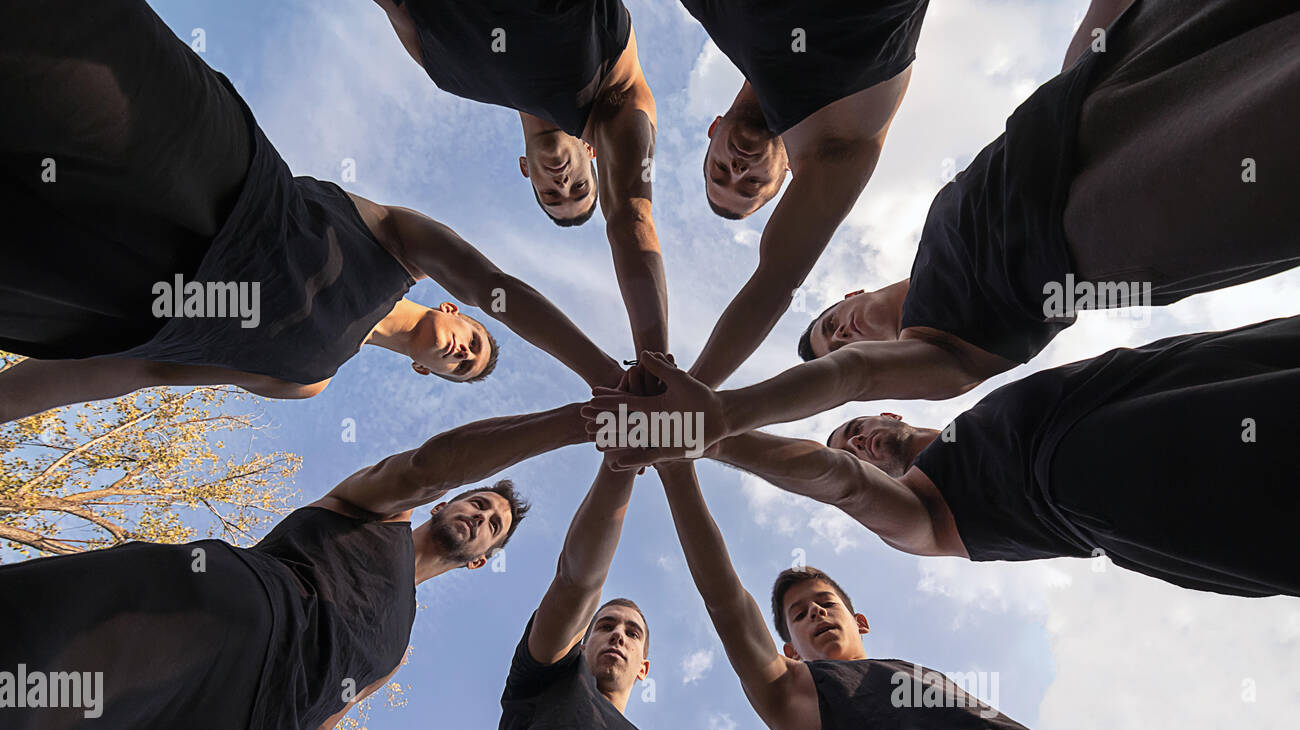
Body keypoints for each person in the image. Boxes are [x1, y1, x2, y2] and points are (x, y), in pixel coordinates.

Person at [591, 0, 1300, 464]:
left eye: (832, 322)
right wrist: (704, 408)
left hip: (1098, 84)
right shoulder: (945, 346)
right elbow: (834, 355)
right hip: (1121, 205)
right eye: (839, 343)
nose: (842, 335)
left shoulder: (940, 231)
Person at [0, 402, 590, 730]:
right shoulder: (378, 509)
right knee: (28, 691)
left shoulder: (393, 650)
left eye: (493, 525)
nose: (481, 517)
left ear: (482, 559)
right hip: (224, 625)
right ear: (443, 504)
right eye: (479, 501)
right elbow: (424, 467)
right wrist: (573, 424)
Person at [0, 0, 623, 427]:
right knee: (47, 43)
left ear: (424, 369)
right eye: (475, 343)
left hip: (108, 293)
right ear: (455, 309)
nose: (462, 352)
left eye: (460, 367)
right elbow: (502, 289)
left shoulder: (305, 381)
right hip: (199, 166)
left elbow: (146, 368)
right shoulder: (402, 248)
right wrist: (601, 375)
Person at [656, 466, 1275, 730]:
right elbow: (729, 605)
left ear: (859, 619)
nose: (816, 613)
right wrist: (678, 469)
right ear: (788, 644)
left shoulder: (925, 680)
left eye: (826, 602)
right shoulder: (799, 697)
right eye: (798, 614)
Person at [642, 314, 1300, 597]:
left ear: (888, 412)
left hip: (1161, 372)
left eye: (855, 430)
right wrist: (710, 433)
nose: (858, 446)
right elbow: (834, 479)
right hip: (1112, 471)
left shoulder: (973, 404)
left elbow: (861, 366)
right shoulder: (923, 516)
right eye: (854, 451)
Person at [372, 0, 667, 358]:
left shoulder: (451, 74)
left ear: (526, 170)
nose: (562, 184)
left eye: (550, 195)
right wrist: (655, 364)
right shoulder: (608, 92)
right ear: (593, 152)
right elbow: (629, 217)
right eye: (580, 186)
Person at [448, 459, 690, 730]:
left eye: (633, 633)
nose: (618, 634)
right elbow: (576, 581)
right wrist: (622, 461)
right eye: (606, 625)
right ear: (580, 643)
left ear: (644, 668)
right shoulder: (550, 679)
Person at [678, 0, 929, 387]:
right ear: (789, 174)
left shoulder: (716, 15)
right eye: (752, 184)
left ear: (713, 130)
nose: (739, 169)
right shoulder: (834, 142)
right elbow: (776, 279)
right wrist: (694, 393)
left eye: (720, 170)